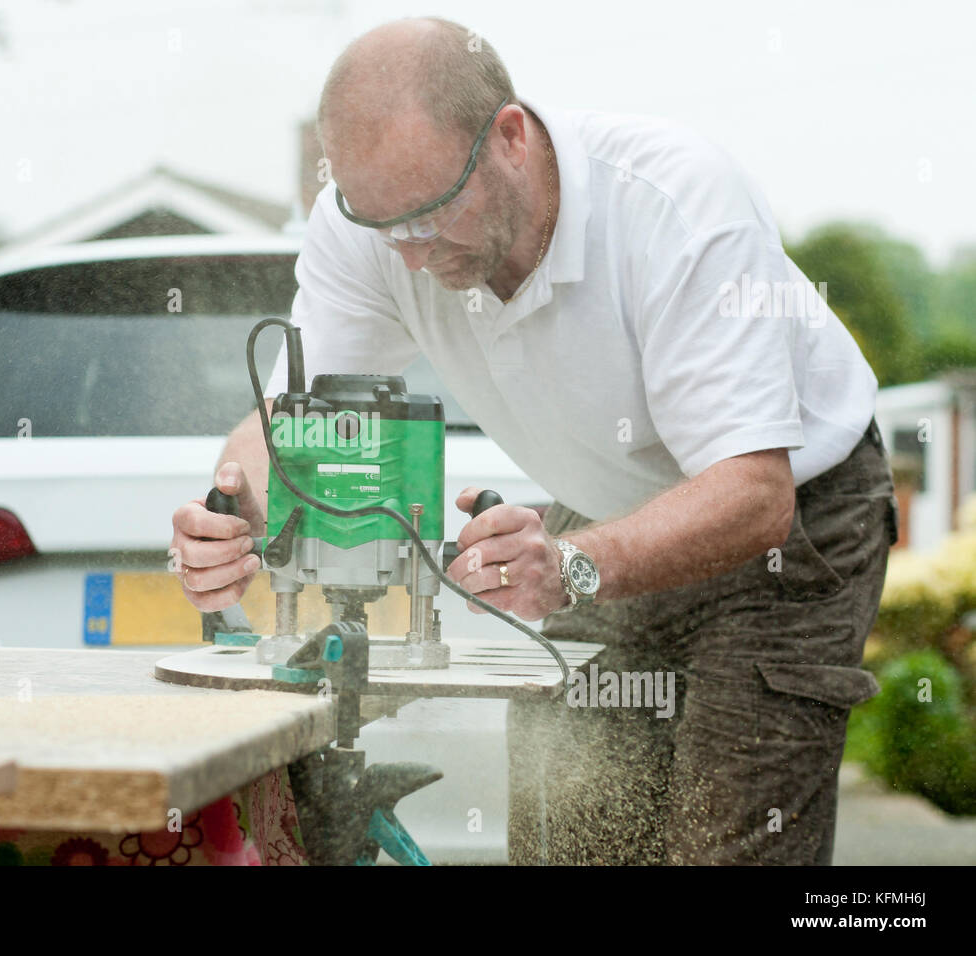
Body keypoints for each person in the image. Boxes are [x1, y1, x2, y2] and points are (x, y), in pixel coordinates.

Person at [169, 16, 897, 865]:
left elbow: (754, 493)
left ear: (511, 137)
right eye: (380, 224)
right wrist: (230, 511)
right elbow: (286, 428)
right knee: (571, 837)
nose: (407, 255)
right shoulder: (374, 225)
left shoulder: (676, 203)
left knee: (726, 845)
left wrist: (574, 564)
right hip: (604, 516)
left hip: (789, 524)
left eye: (432, 212)